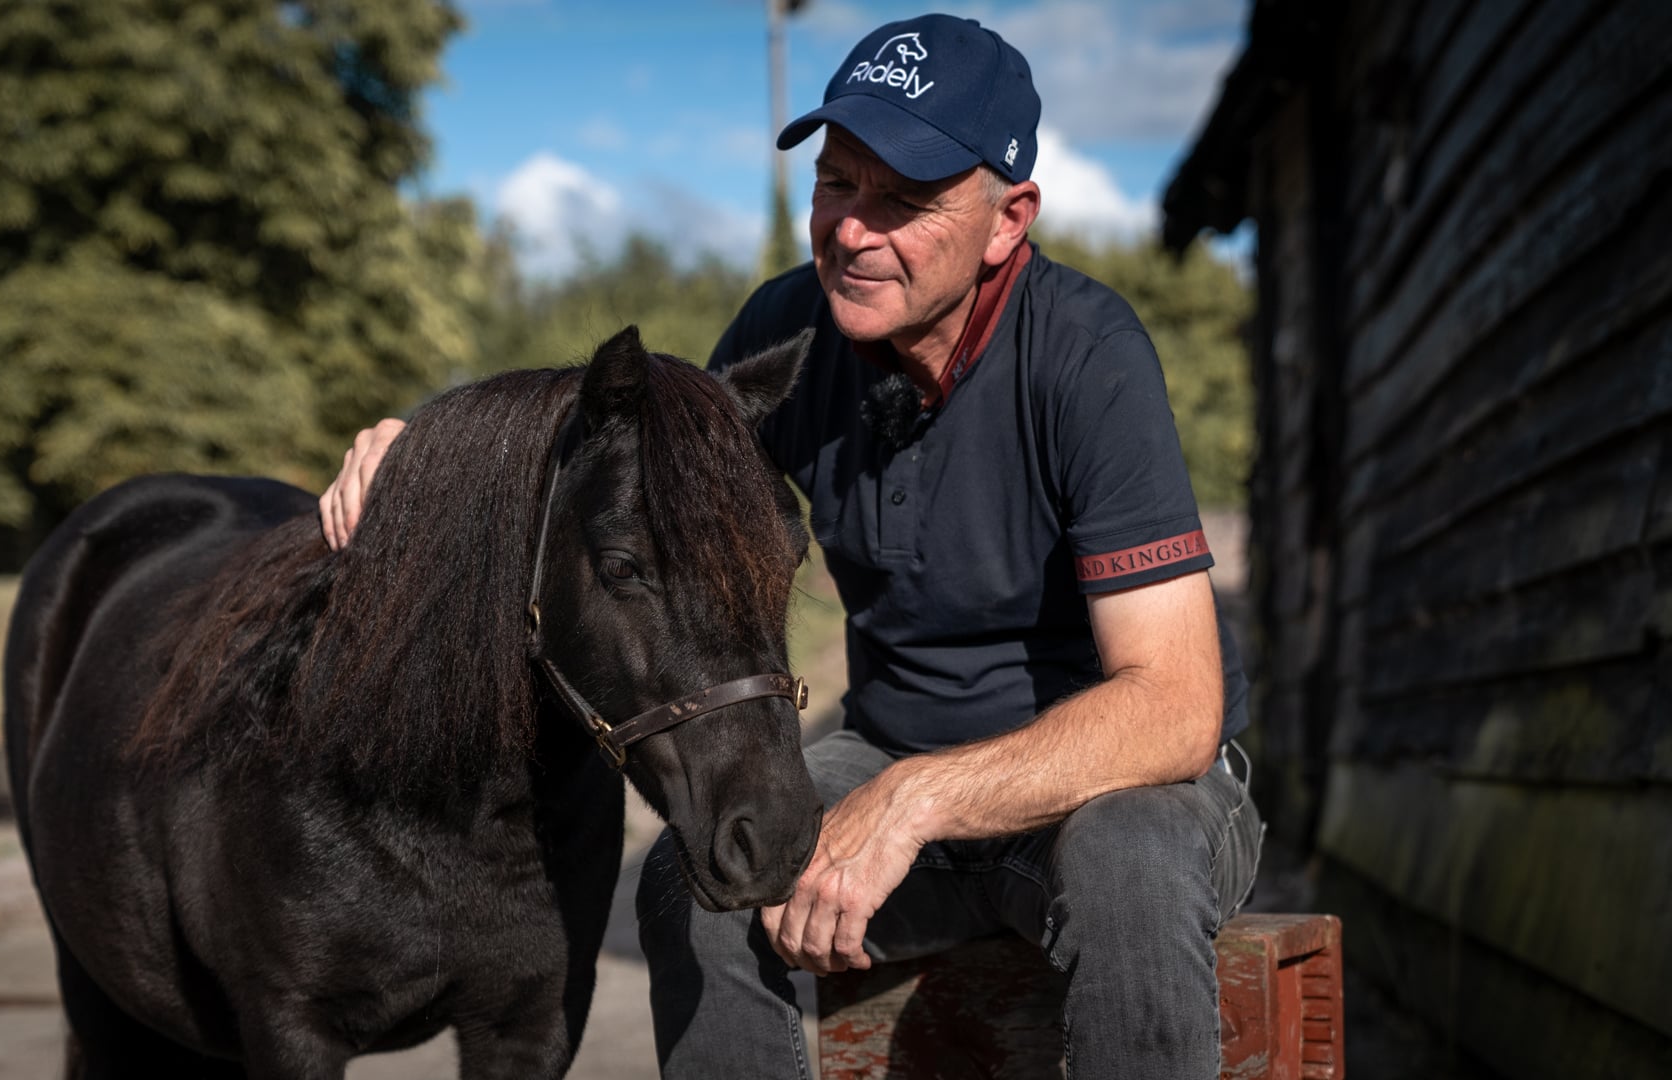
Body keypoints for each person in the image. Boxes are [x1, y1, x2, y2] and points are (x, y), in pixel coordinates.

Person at [320, 13, 1261, 1079]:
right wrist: (434, 453)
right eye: (836, 185)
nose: (853, 232)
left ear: (1008, 221)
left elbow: (1177, 707)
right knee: (695, 879)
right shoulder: (793, 332)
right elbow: (610, 471)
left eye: (905, 200)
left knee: (1127, 863)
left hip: (1118, 796)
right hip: (894, 751)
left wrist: (914, 801)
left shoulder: (1088, 358)